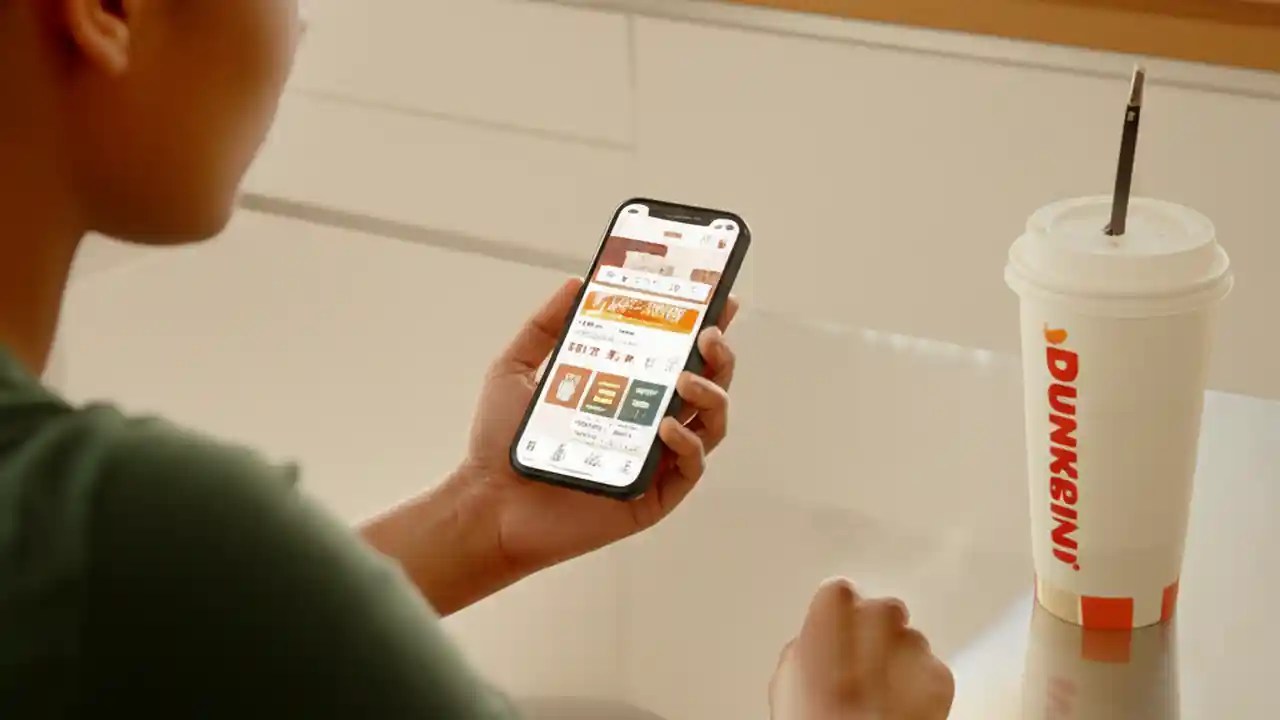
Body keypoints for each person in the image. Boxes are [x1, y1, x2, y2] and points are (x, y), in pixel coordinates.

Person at [0, 1, 954, 717]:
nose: (302, 22)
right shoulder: (124, 534)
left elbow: (178, 649)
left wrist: (482, 515)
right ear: (109, 11)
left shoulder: (97, 556)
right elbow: (167, 605)